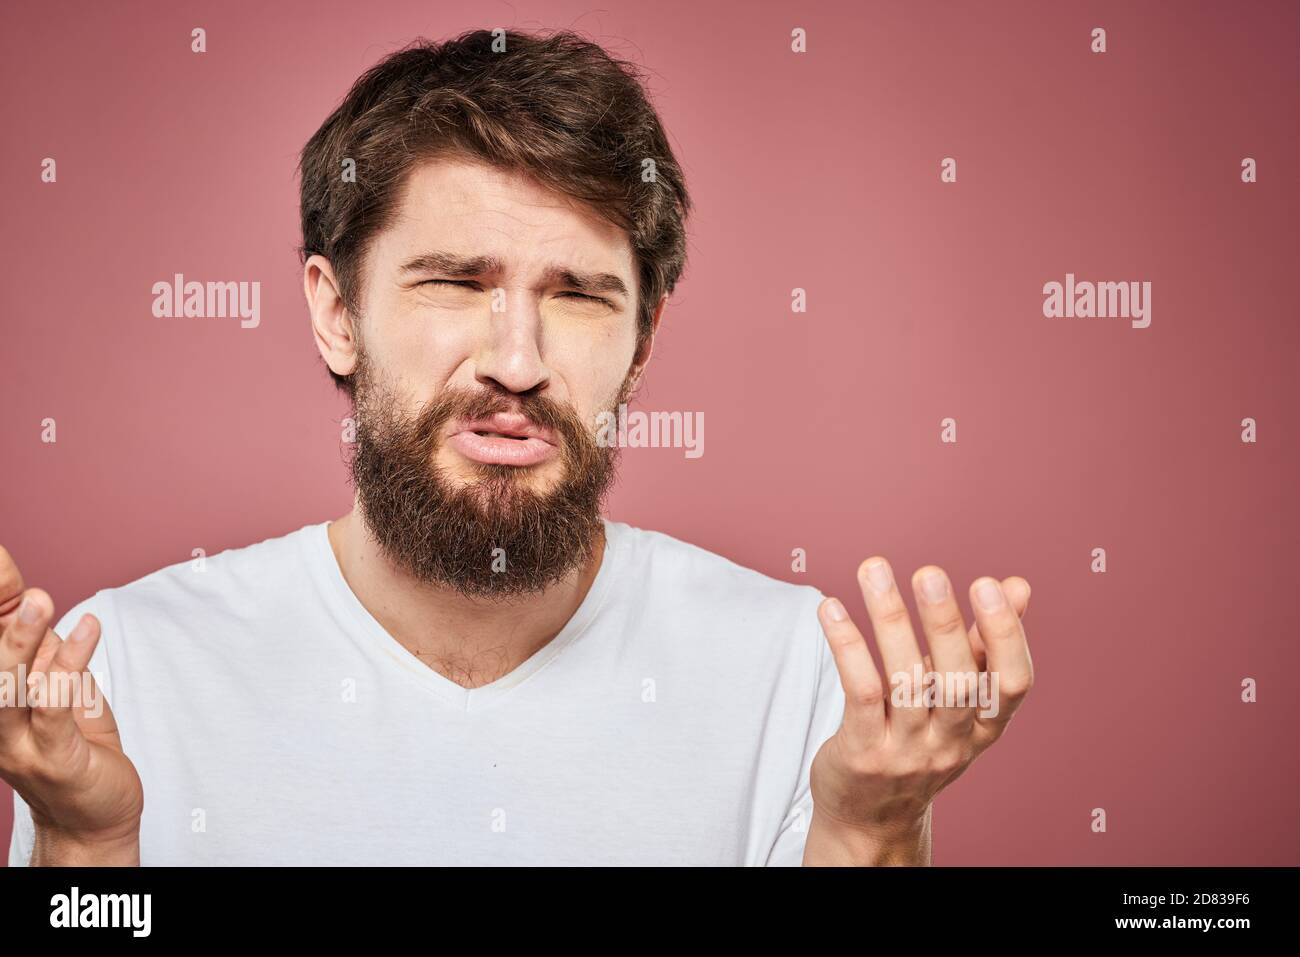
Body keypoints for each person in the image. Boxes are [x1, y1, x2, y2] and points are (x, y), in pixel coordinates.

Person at [2, 29, 1033, 867]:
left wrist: (867, 833)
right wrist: (88, 845)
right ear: (335, 312)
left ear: (643, 343)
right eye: (453, 282)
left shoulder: (798, 674)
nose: (518, 361)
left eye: (579, 296)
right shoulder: (120, 670)